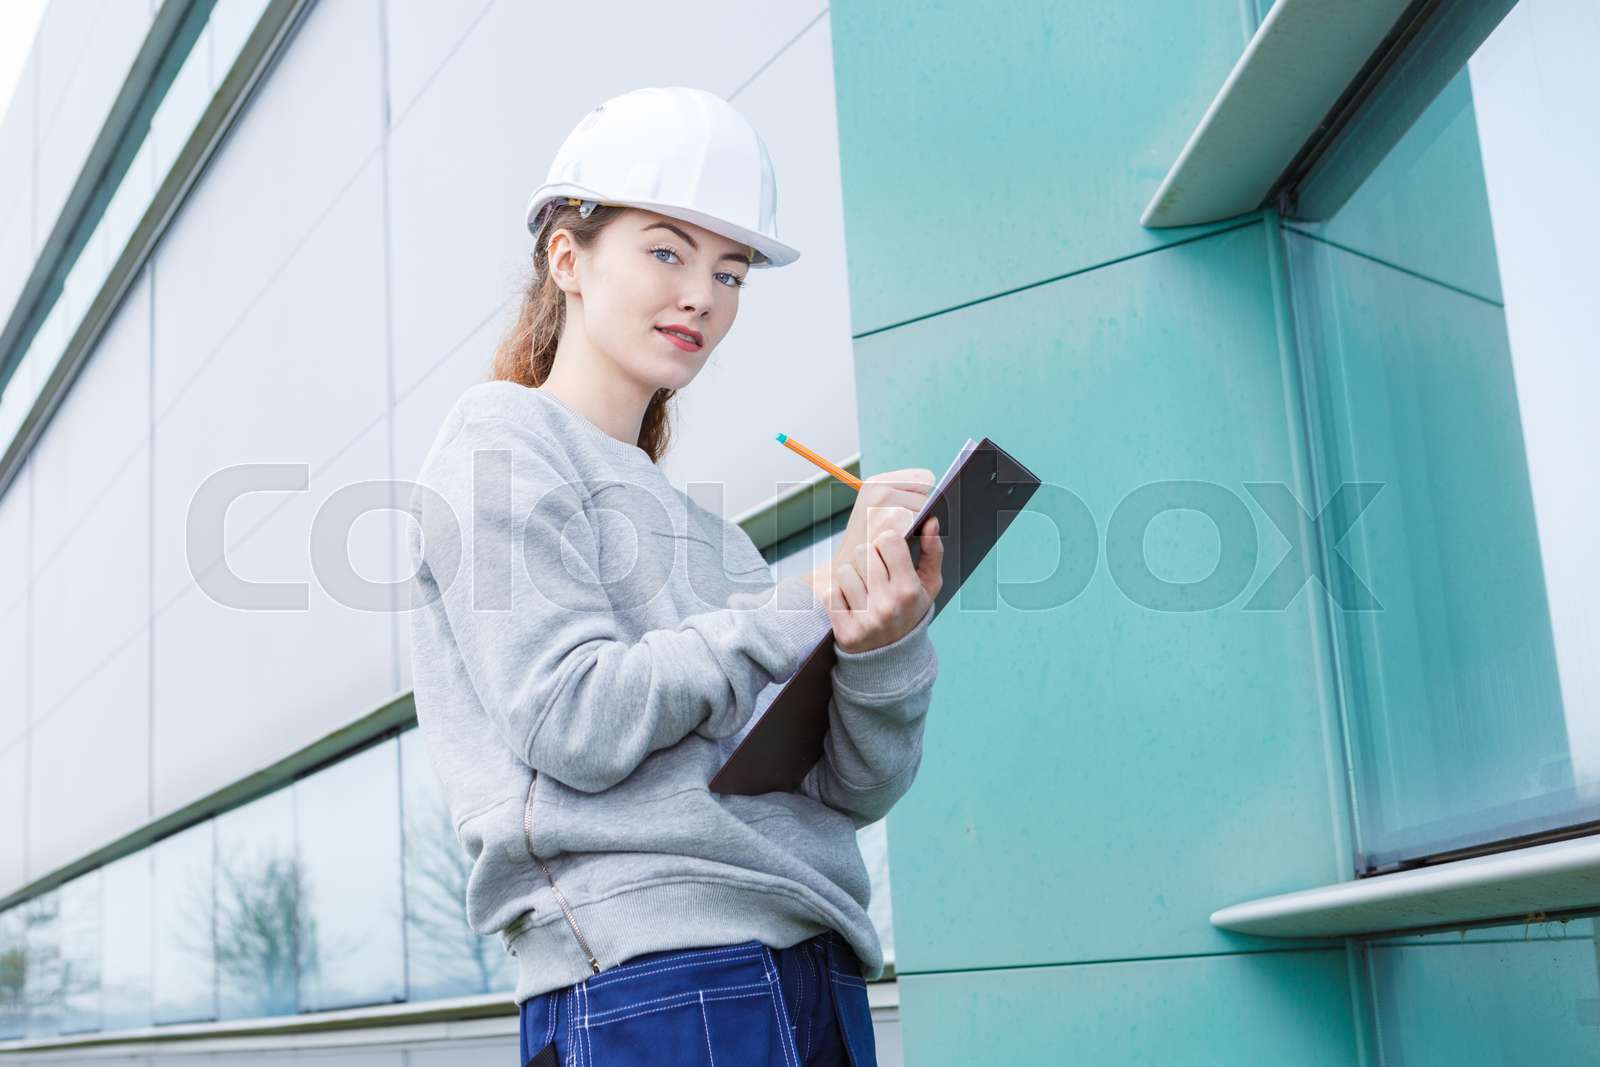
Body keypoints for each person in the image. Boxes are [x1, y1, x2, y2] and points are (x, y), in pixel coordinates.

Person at [406, 86, 944, 1067]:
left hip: (815, 965)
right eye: (666, 251)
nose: (703, 294)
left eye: (730, 271)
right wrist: (806, 596)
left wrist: (878, 642)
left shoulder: (711, 536)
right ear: (566, 259)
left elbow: (851, 789)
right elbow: (572, 719)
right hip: (656, 974)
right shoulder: (498, 439)